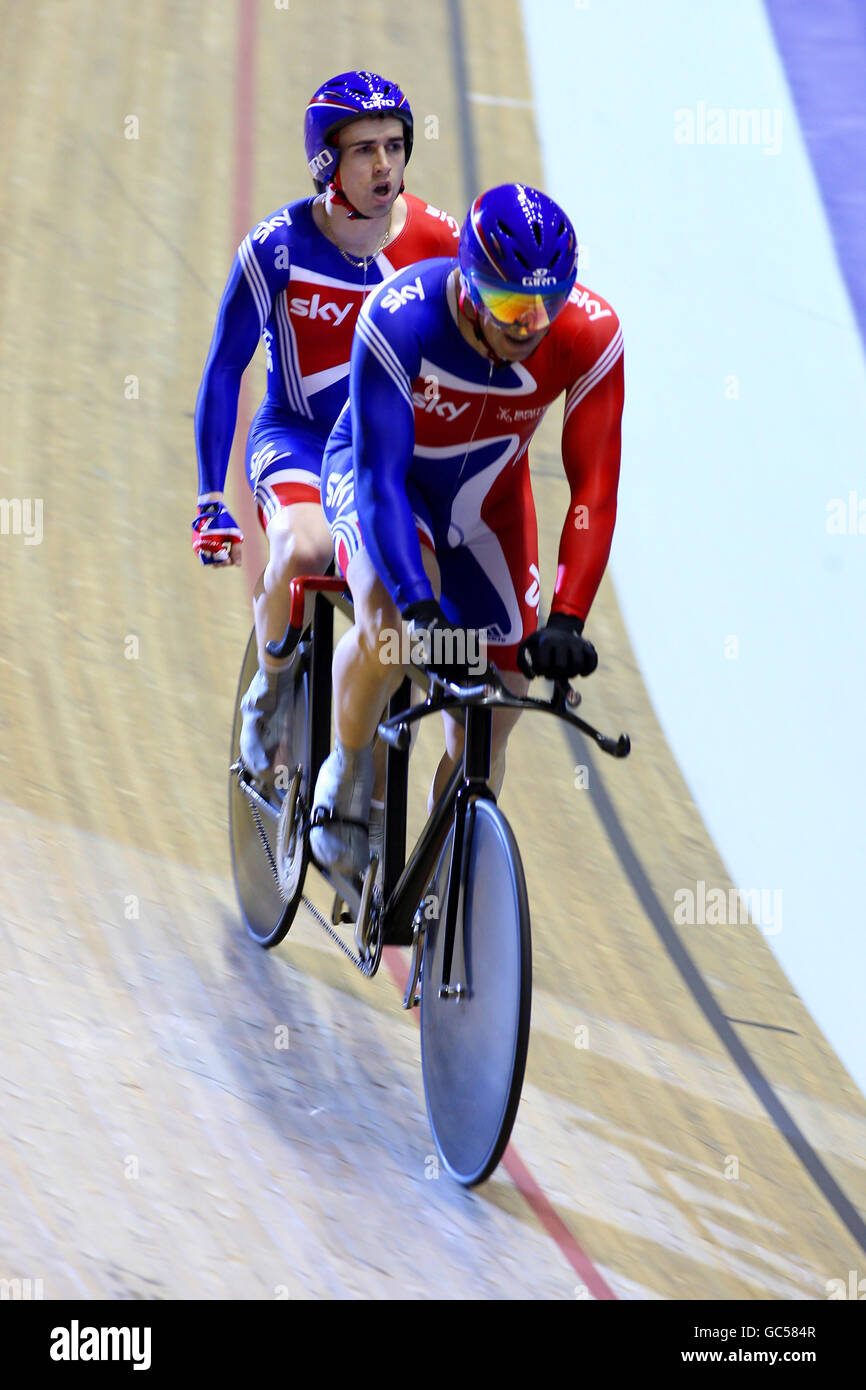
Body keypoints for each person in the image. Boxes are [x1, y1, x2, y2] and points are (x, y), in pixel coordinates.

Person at [311, 183, 624, 883]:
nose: (530, 326)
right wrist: (422, 609)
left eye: (548, 302)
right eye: (511, 304)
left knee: (500, 696)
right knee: (389, 627)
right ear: (467, 279)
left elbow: (594, 491)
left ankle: (441, 874)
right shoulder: (399, 320)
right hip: (386, 484)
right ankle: (348, 769)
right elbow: (382, 483)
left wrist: (568, 617)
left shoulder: (591, 332)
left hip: (487, 507)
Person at [191, 70, 460, 784]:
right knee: (306, 546)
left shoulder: (438, 239)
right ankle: (272, 685)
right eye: (365, 150)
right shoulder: (275, 247)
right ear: (325, 164)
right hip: (299, 440)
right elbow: (225, 370)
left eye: (395, 147)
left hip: (385, 458)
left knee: (428, 601)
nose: (384, 166)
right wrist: (210, 499)